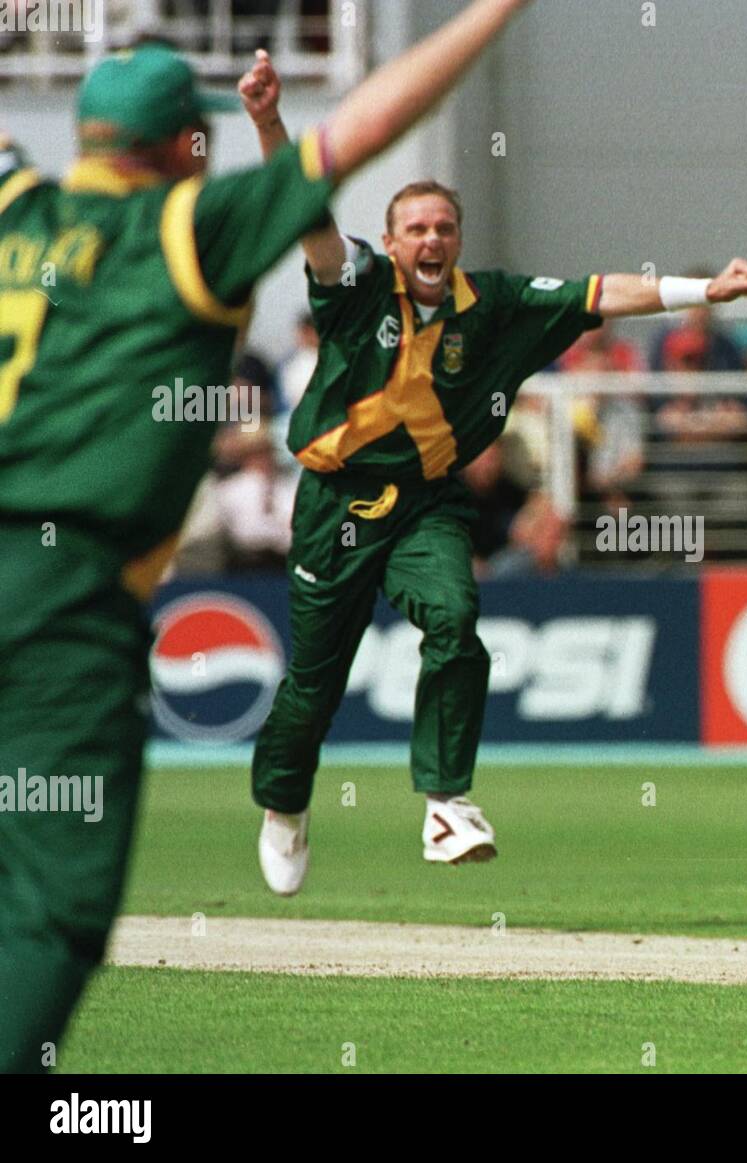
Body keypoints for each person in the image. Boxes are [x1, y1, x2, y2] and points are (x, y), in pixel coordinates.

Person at [0, 0, 538, 1074]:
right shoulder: (184, 225)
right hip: (60, 601)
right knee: (51, 908)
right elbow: (369, 127)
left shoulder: (17, 205)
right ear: (177, 147)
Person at [238, 53, 747, 891]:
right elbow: (306, 214)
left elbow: (602, 293)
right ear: (394, 240)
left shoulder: (501, 304)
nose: (432, 240)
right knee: (313, 683)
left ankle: (446, 801)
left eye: (445, 227)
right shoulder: (359, 286)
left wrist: (706, 289)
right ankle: (285, 805)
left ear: (459, 239)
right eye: (417, 229)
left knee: (456, 615)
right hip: (333, 503)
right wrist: (268, 123)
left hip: (426, 504)